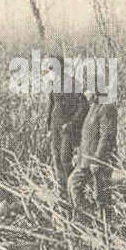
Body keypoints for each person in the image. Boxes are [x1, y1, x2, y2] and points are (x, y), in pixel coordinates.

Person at [68, 88, 118, 214]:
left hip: (98, 161)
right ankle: (88, 216)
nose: (85, 94)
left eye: (87, 91)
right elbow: (87, 137)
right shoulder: (94, 107)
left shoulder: (106, 107)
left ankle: (102, 224)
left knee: (101, 196)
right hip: (86, 160)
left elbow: (106, 137)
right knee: (73, 184)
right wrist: (78, 156)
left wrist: (98, 159)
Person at [47, 61, 89, 201]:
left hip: (67, 131)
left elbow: (83, 106)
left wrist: (71, 124)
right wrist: (49, 128)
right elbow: (51, 107)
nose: (51, 70)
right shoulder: (54, 84)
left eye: (53, 67)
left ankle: (74, 195)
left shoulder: (72, 83)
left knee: (66, 160)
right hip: (55, 130)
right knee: (56, 160)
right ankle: (63, 195)